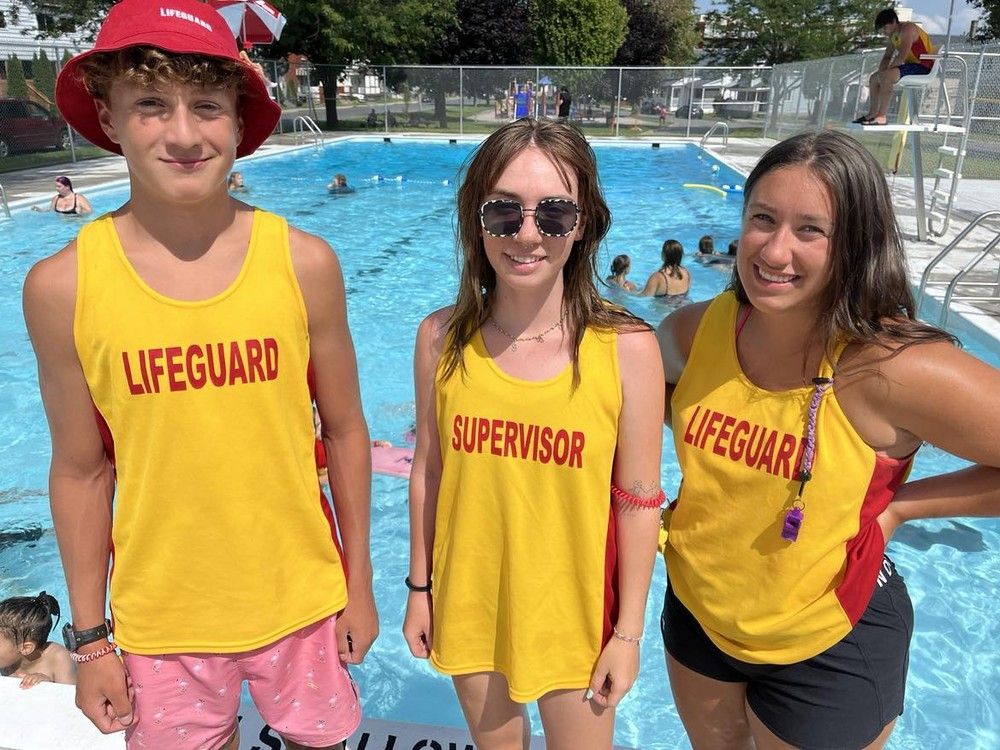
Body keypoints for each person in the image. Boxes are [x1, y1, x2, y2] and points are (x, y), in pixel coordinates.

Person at [25, 2, 378, 748]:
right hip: (163, 624)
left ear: (239, 120)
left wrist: (361, 587)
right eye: (151, 104)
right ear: (108, 116)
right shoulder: (65, 288)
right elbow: (82, 473)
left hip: (303, 606)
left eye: (207, 106)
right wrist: (91, 642)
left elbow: (346, 432)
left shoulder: (304, 265)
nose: (183, 134)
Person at [655, 130, 1000, 750]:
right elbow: (634, 403)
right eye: (763, 218)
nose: (775, 249)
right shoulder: (695, 330)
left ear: (856, 245)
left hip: (829, 640)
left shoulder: (890, 367)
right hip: (700, 615)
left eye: (810, 229)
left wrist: (901, 507)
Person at [403, 118, 664, 748]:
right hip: (469, 604)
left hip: (574, 621)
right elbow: (429, 471)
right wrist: (420, 589)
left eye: (553, 214)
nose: (527, 234)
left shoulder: (626, 349)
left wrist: (627, 636)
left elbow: (639, 503)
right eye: (503, 212)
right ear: (476, 220)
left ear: (584, 225)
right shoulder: (440, 338)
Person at [852, 8, 936, 126]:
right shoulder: (894, 35)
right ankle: (872, 113)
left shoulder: (908, 29)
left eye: (885, 28)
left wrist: (885, 73)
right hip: (911, 66)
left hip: (924, 66)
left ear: (893, 22)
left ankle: (881, 116)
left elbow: (902, 56)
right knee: (874, 78)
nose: (884, 32)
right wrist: (881, 72)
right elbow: (887, 57)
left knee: (887, 76)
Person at [0, 592, 75, 689]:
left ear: (25, 648)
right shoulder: (6, 659)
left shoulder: (59, 658)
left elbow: (70, 698)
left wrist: (48, 685)